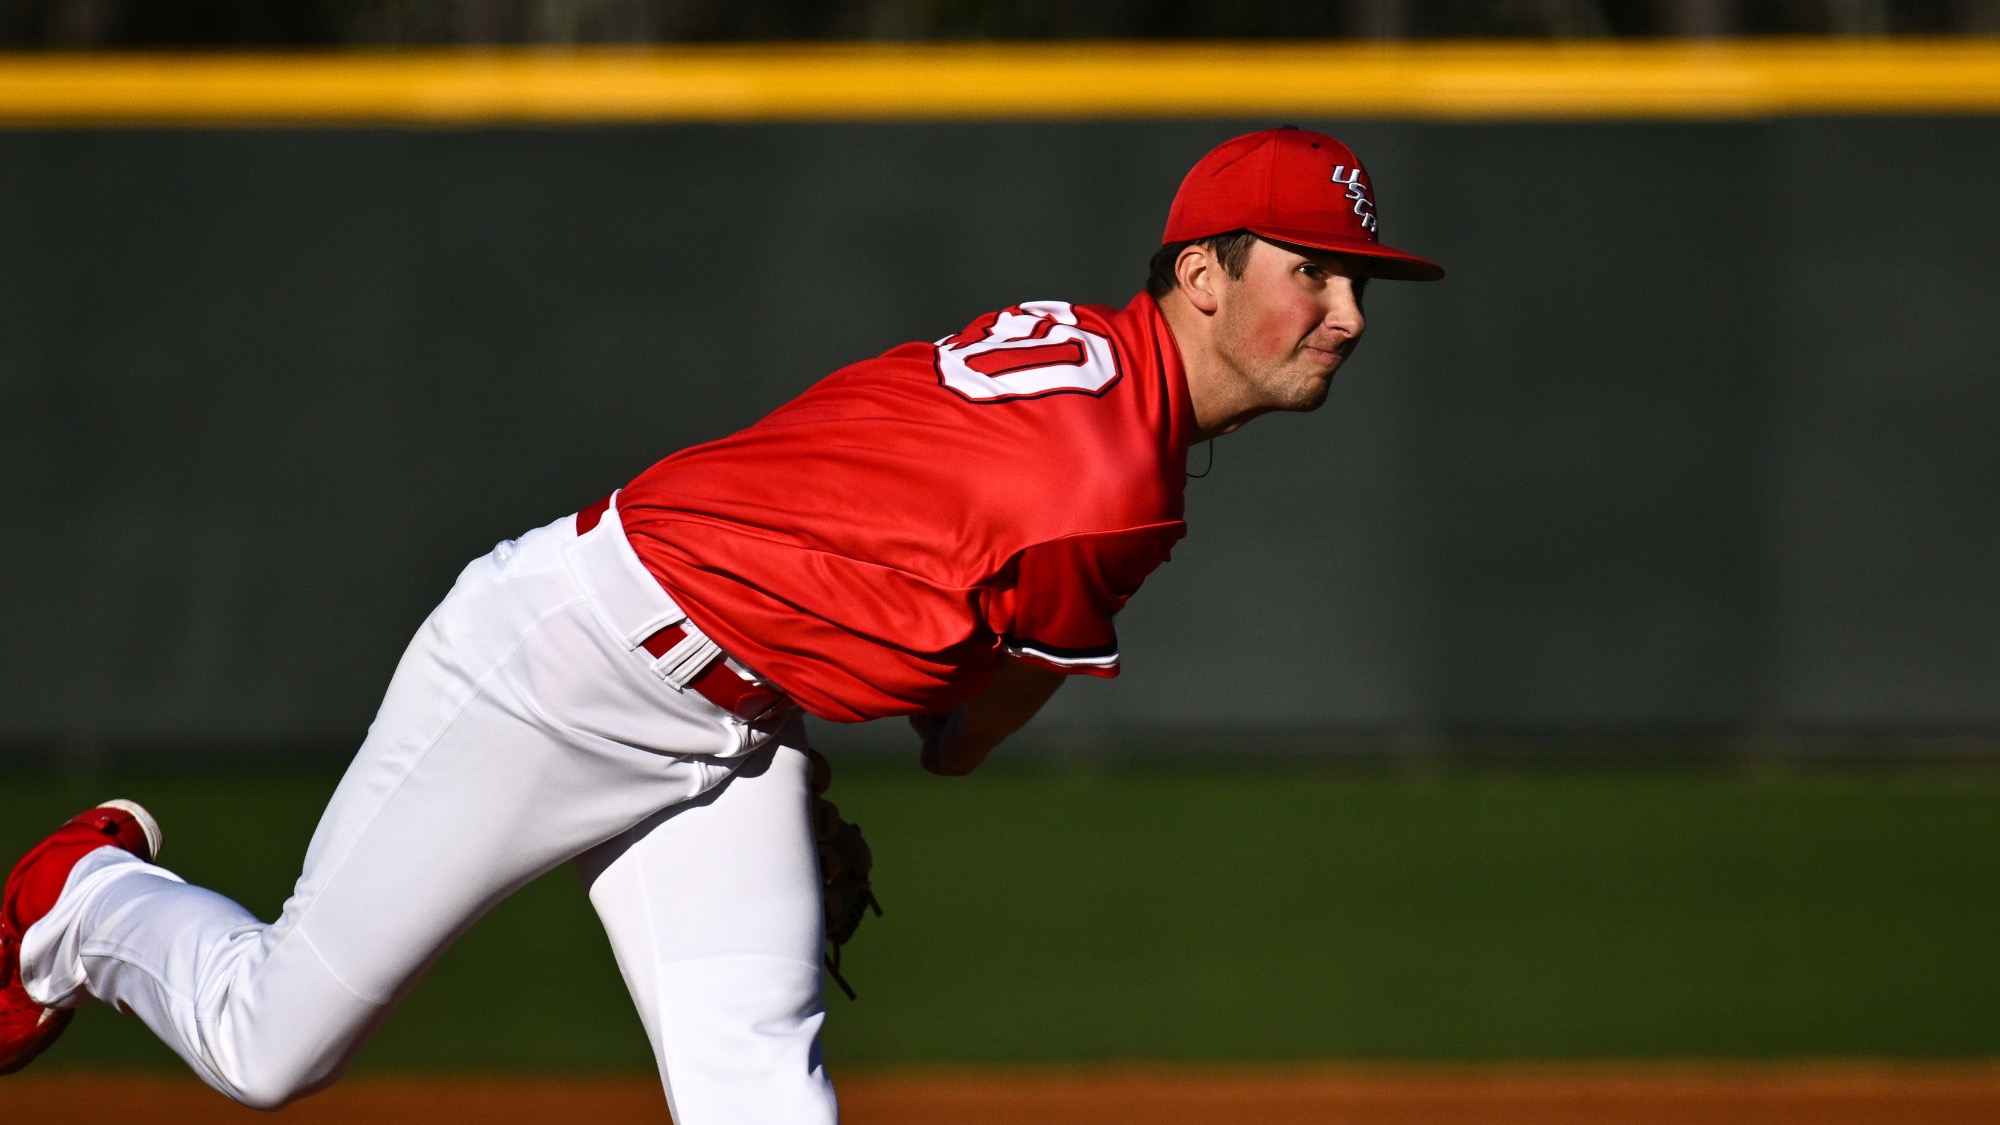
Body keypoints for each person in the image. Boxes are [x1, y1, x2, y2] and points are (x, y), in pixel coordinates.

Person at [0, 126, 1441, 1119]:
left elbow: (843, 517)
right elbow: (960, 739)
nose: (1348, 312)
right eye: (1310, 271)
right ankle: (80, 900)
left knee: (759, 1093)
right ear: (1202, 273)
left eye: (1356, 279)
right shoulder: (1111, 488)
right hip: (565, 664)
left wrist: (788, 743)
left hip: (727, 712)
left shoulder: (1084, 352)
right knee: (269, 1043)